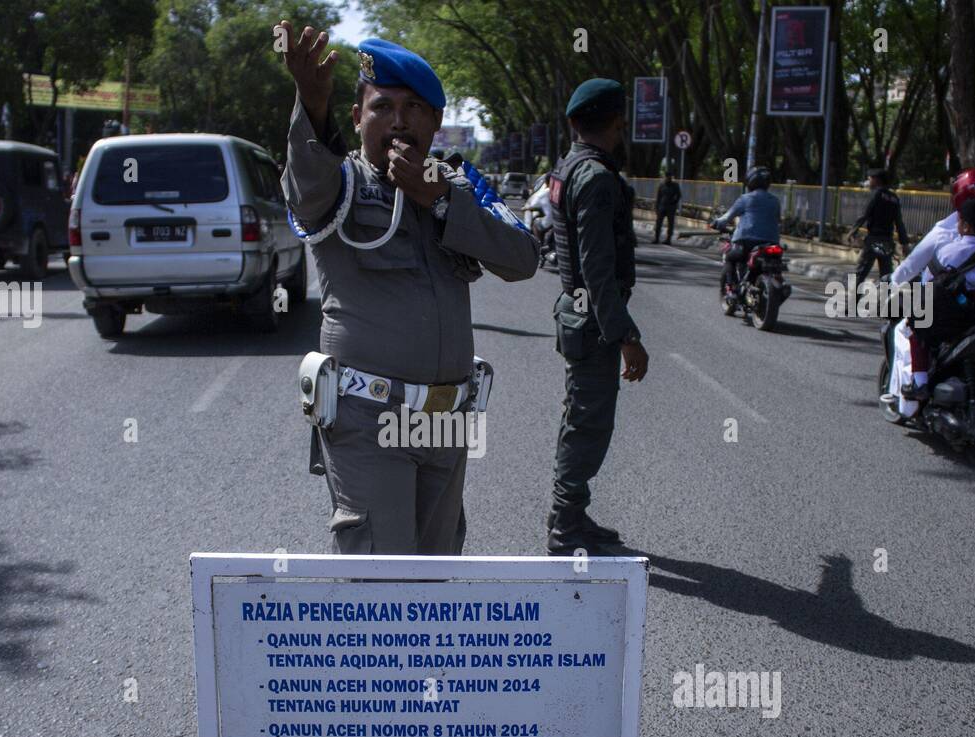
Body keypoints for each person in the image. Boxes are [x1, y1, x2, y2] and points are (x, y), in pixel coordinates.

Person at [279, 25, 539, 555]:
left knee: (439, 570)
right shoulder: (341, 183)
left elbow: (523, 258)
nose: (400, 120)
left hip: (446, 419)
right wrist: (311, 100)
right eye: (383, 107)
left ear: (437, 122)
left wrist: (440, 199)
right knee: (382, 572)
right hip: (368, 417)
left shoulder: (458, 186)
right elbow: (306, 192)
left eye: (416, 107)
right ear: (357, 119)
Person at [545, 78, 649, 556]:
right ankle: (565, 528)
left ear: (573, 123)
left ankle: (573, 515)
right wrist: (626, 335)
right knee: (589, 424)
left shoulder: (569, 168)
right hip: (592, 321)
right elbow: (598, 270)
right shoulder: (598, 178)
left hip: (578, 315)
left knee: (581, 418)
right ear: (617, 123)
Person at [886, 168, 975, 412]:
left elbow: (917, 268)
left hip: (943, 311)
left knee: (916, 326)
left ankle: (920, 383)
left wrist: (893, 282)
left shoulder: (945, 234)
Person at [712, 166, 781, 305]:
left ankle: (731, 290)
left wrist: (717, 223)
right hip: (771, 243)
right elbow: (777, 220)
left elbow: (727, 217)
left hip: (747, 241)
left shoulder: (745, 199)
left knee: (730, 258)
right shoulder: (775, 201)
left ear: (751, 181)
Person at [848, 167, 909, 284]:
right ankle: (887, 301)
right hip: (887, 241)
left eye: (870, 178)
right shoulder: (894, 198)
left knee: (860, 273)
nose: (868, 181)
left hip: (874, 240)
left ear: (877, 180)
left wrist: (852, 231)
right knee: (886, 275)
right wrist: (904, 243)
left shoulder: (876, 194)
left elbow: (864, 214)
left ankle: (853, 301)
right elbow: (899, 222)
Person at [654, 171, 681, 244]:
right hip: (662, 206)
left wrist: (674, 203)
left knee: (670, 224)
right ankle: (656, 238)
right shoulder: (662, 185)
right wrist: (656, 207)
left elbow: (678, 195)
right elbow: (658, 197)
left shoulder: (675, 185)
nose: (668, 178)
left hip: (671, 207)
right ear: (665, 177)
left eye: (670, 177)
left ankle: (668, 239)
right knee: (658, 223)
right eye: (667, 176)